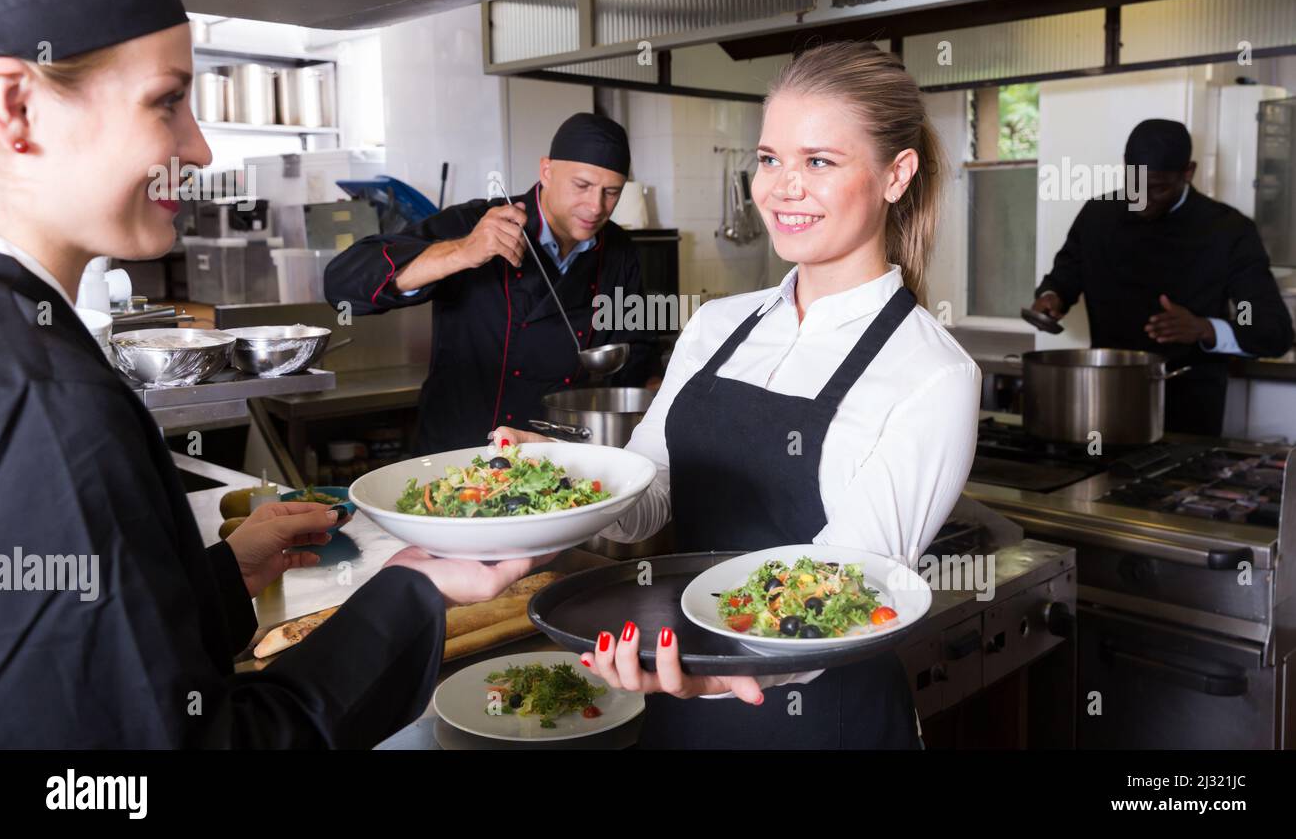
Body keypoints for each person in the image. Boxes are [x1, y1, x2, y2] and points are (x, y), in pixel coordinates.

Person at [0, 0, 541, 748]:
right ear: (17, 109)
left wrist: (224, 577)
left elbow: (76, 671)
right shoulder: (48, 399)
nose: (202, 150)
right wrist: (411, 592)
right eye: (166, 101)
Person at [496, 42, 982, 749]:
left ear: (895, 175)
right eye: (770, 158)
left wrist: (725, 675)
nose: (783, 187)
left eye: (819, 161)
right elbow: (652, 495)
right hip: (675, 687)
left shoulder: (931, 372)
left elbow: (846, 591)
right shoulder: (717, 324)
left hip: (817, 716)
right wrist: (569, 479)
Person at [323, 114, 660, 455]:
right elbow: (342, 285)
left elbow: (637, 347)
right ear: (546, 171)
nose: (595, 206)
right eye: (582, 186)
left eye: (611, 192)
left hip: (560, 456)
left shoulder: (619, 250)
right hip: (462, 455)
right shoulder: (475, 224)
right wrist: (462, 251)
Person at [1030, 119, 1294, 436]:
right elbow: (1065, 276)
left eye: (1158, 188)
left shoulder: (1228, 231)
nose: (1142, 198)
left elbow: (1272, 330)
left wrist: (1205, 328)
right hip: (1104, 402)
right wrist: (1052, 296)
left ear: (1188, 172)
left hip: (1189, 415)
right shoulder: (1099, 216)